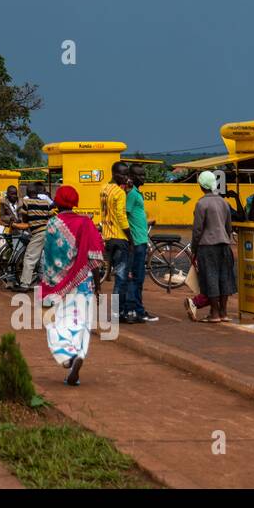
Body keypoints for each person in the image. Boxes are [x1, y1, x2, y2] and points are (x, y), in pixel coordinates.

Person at [40, 185, 104, 386]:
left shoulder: (52, 224)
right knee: (81, 323)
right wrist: (97, 283)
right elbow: (94, 255)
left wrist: (49, 283)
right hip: (83, 282)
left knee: (58, 323)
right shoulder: (86, 223)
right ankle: (78, 353)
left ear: (57, 203)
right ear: (75, 202)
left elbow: (48, 258)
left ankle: (67, 357)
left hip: (60, 286)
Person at [190, 170, 237, 323]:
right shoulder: (224, 202)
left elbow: (197, 230)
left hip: (207, 247)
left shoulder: (201, 203)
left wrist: (194, 249)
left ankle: (214, 313)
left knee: (211, 279)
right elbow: (229, 227)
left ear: (201, 186)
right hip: (224, 245)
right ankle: (224, 312)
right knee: (225, 278)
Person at [99, 162, 133, 321]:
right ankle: (117, 313)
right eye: (123, 174)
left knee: (115, 276)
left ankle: (117, 311)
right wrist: (130, 237)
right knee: (121, 278)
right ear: (115, 173)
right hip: (120, 238)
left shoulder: (104, 188)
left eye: (127, 174)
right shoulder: (120, 193)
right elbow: (121, 216)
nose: (126, 177)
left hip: (107, 237)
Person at [124, 165, 157, 322]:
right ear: (131, 176)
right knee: (135, 278)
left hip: (140, 240)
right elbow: (125, 215)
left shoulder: (136, 193)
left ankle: (137, 309)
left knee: (138, 278)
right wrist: (130, 239)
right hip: (136, 242)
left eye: (144, 175)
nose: (143, 178)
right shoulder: (131, 194)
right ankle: (136, 310)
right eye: (139, 175)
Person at [18, 183, 53, 290]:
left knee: (30, 257)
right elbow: (50, 215)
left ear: (27, 193)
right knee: (46, 259)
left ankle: (24, 284)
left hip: (38, 232)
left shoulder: (27, 202)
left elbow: (24, 217)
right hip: (48, 232)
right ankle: (48, 283)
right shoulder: (46, 203)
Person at [0, 185, 30, 289]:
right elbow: (2, 216)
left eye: (15, 193)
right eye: (11, 193)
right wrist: (11, 219)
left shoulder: (22, 202)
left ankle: (19, 277)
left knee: (25, 254)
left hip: (25, 229)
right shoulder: (3, 203)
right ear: (7, 194)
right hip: (15, 231)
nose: (14, 196)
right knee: (16, 255)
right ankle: (14, 279)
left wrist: (22, 219)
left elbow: (27, 214)